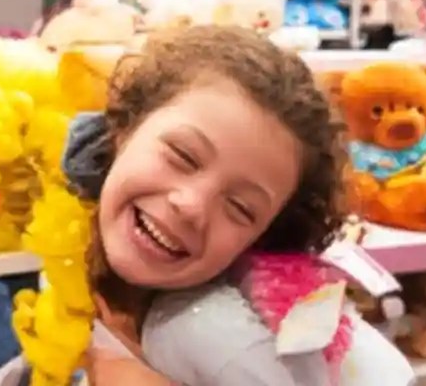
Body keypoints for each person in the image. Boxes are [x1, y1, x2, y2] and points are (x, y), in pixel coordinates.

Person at [62, 24, 360, 385]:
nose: (192, 206)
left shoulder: (232, 344)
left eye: (240, 207)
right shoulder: (24, 256)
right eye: (183, 156)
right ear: (124, 129)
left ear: (261, 240)